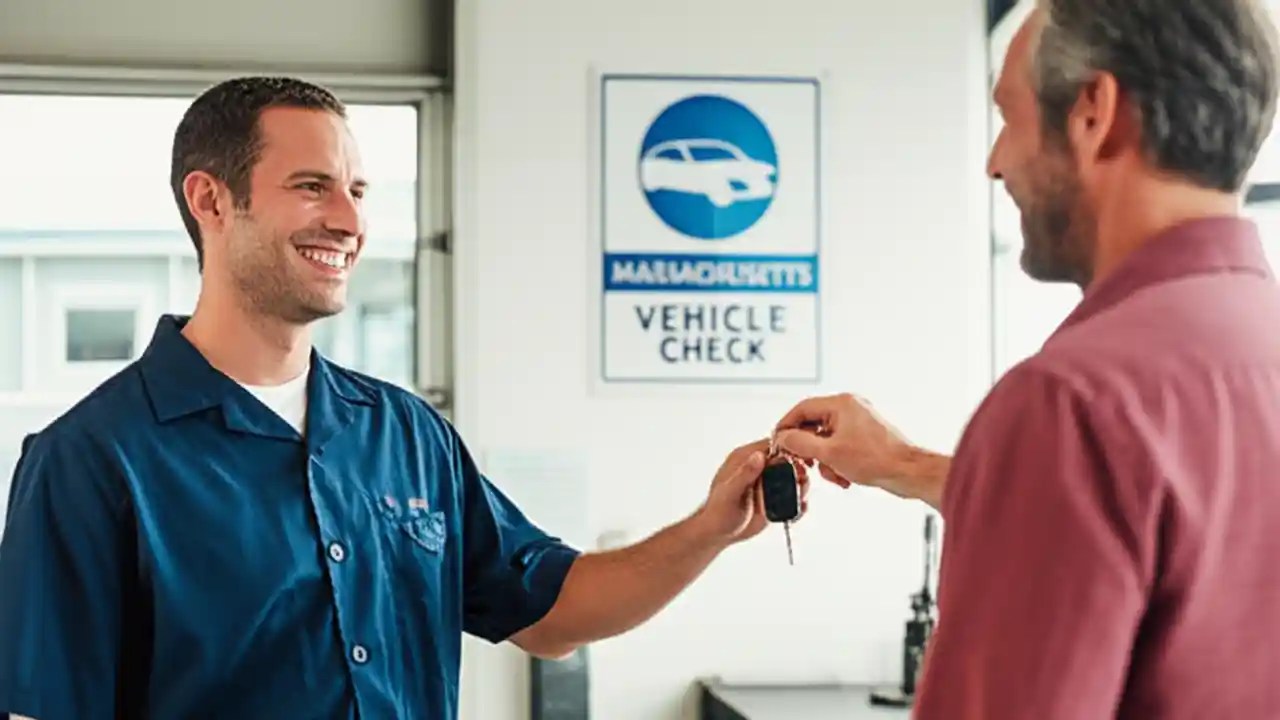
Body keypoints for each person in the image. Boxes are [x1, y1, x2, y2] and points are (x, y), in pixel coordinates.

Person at [0, 77, 807, 720]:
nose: (351, 220)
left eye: (358, 189)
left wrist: (711, 528)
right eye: (313, 186)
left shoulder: (407, 433)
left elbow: (553, 615)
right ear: (211, 201)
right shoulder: (90, 460)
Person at [774, 1, 1280, 718]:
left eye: (1008, 117)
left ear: (1093, 113)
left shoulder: (1073, 404)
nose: (995, 162)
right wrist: (909, 466)